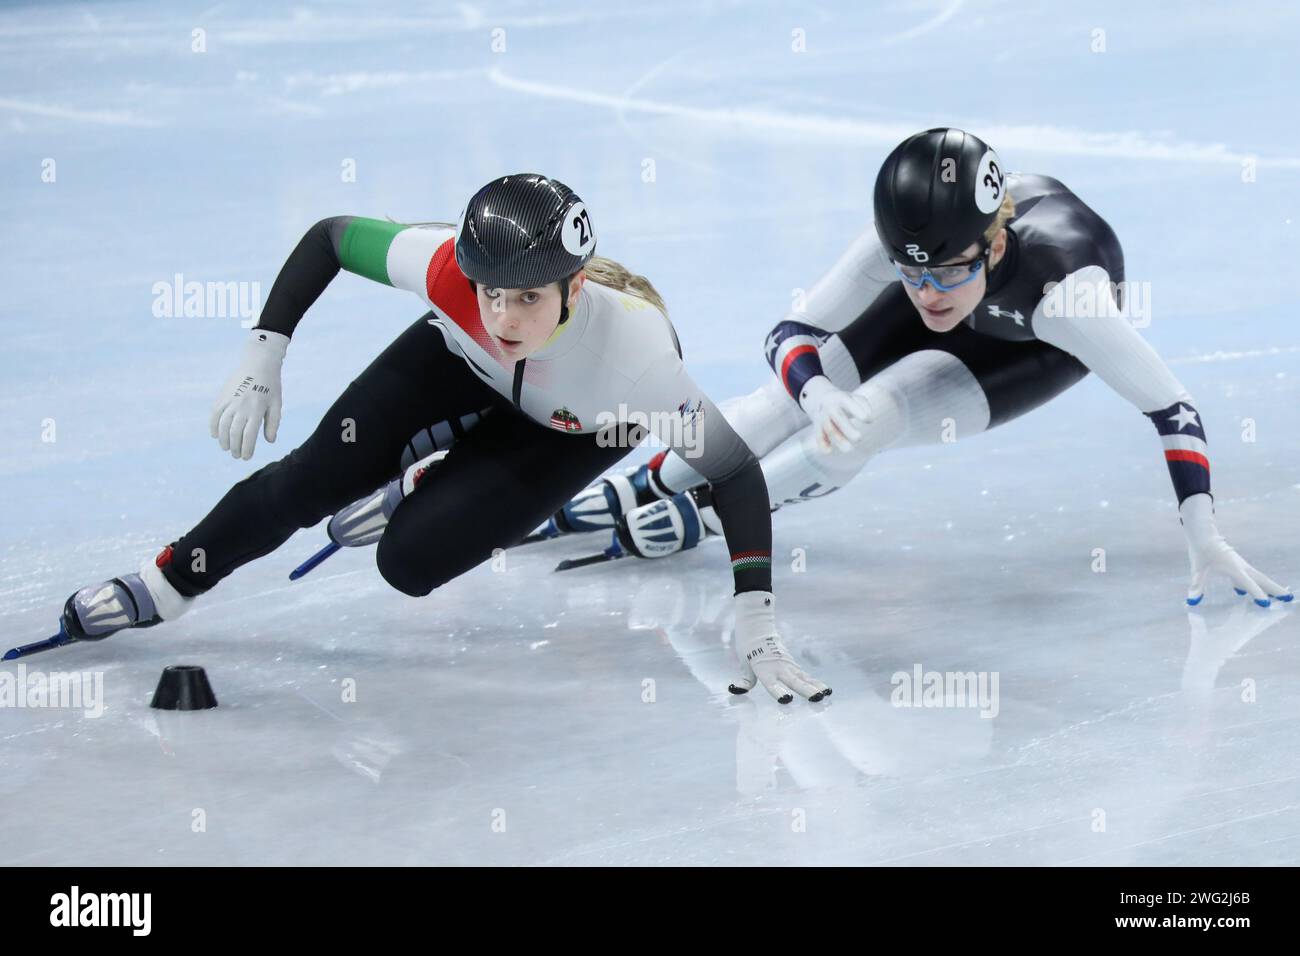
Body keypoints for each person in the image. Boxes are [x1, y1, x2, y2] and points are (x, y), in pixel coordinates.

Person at [55, 173, 830, 704]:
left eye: (528, 298)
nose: (503, 319)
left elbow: (733, 473)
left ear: (576, 286)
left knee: (409, 565)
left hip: (578, 424)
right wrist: (265, 352)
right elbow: (330, 237)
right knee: (310, 480)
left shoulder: (636, 367)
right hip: (456, 369)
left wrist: (756, 617)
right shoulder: (447, 275)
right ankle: (169, 583)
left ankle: (419, 490)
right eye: (491, 293)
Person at [540, 130, 1291, 609]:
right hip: (987, 294)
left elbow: (1172, 408)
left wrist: (1202, 531)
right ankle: (639, 485)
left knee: (867, 421)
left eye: (943, 275)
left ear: (993, 249)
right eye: (909, 273)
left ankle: (707, 516)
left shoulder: (1071, 302)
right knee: (795, 397)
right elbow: (790, 333)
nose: (926, 294)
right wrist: (821, 388)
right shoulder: (913, 253)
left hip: (1023, 345)